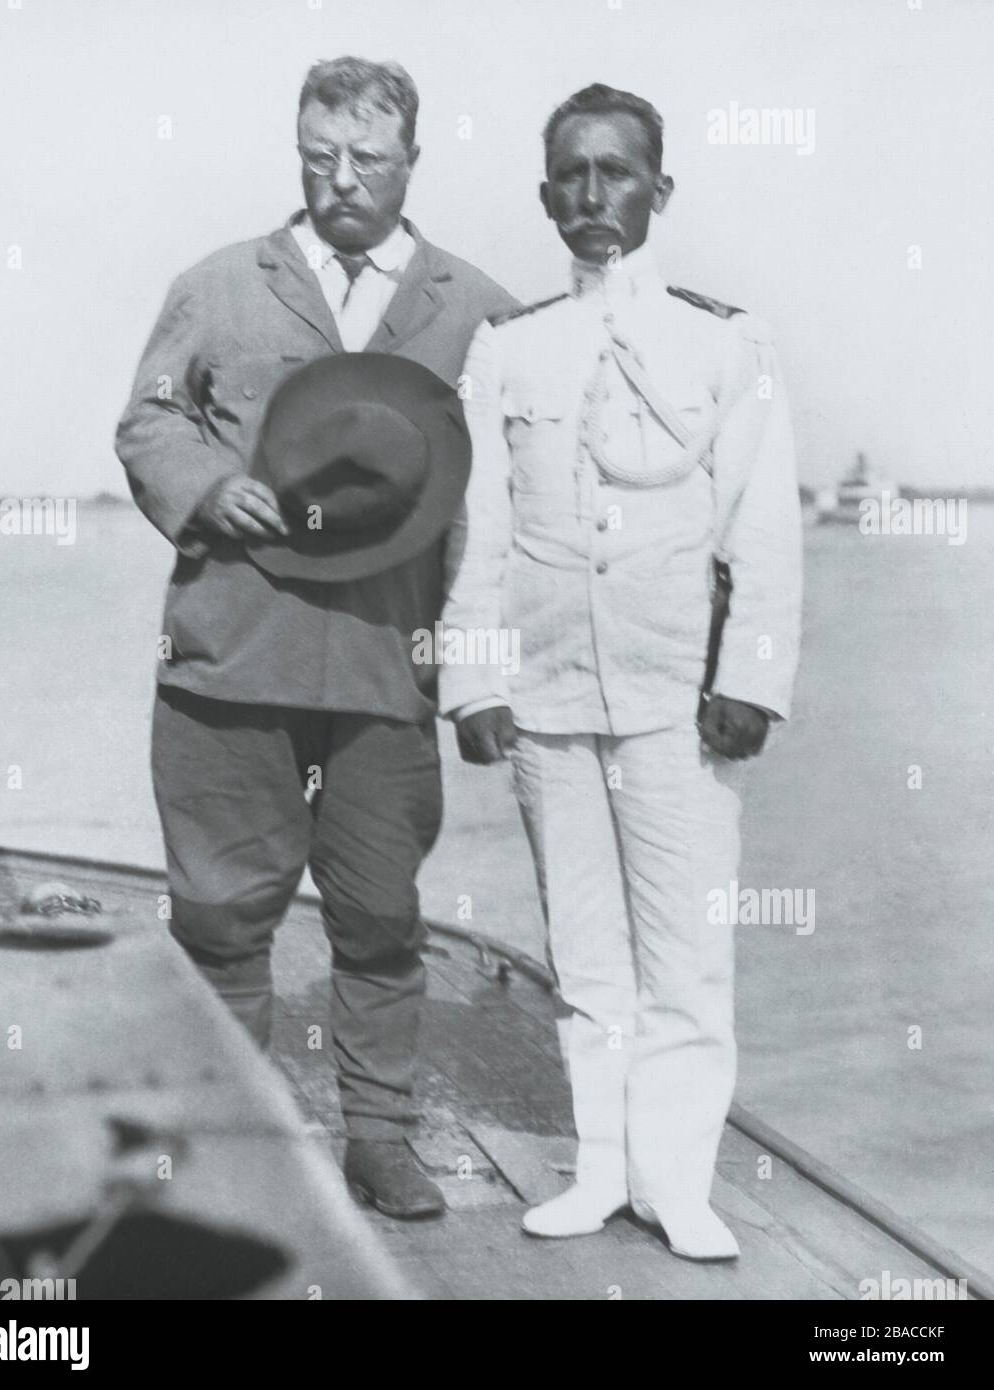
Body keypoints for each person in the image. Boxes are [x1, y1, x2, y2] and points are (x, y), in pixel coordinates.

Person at [115, 57, 516, 1220]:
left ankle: (380, 1136)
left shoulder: (473, 304)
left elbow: (513, 497)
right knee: (220, 915)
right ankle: (227, 1141)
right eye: (318, 156)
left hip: (390, 666)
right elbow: (148, 415)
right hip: (229, 658)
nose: (341, 179)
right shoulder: (220, 283)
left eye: (368, 159)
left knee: (382, 917)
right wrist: (201, 484)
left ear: (411, 161)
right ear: (298, 152)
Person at [440, 84, 802, 1259]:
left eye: (618, 173)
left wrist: (750, 675)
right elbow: (480, 530)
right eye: (573, 177)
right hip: (546, 696)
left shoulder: (726, 339)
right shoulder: (508, 349)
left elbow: (763, 528)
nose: (594, 197)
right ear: (547, 196)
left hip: (671, 700)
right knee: (586, 956)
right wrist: (474, 681)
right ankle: (600, 1170)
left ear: (660, 190)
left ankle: (678, 1184)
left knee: (688, 958)